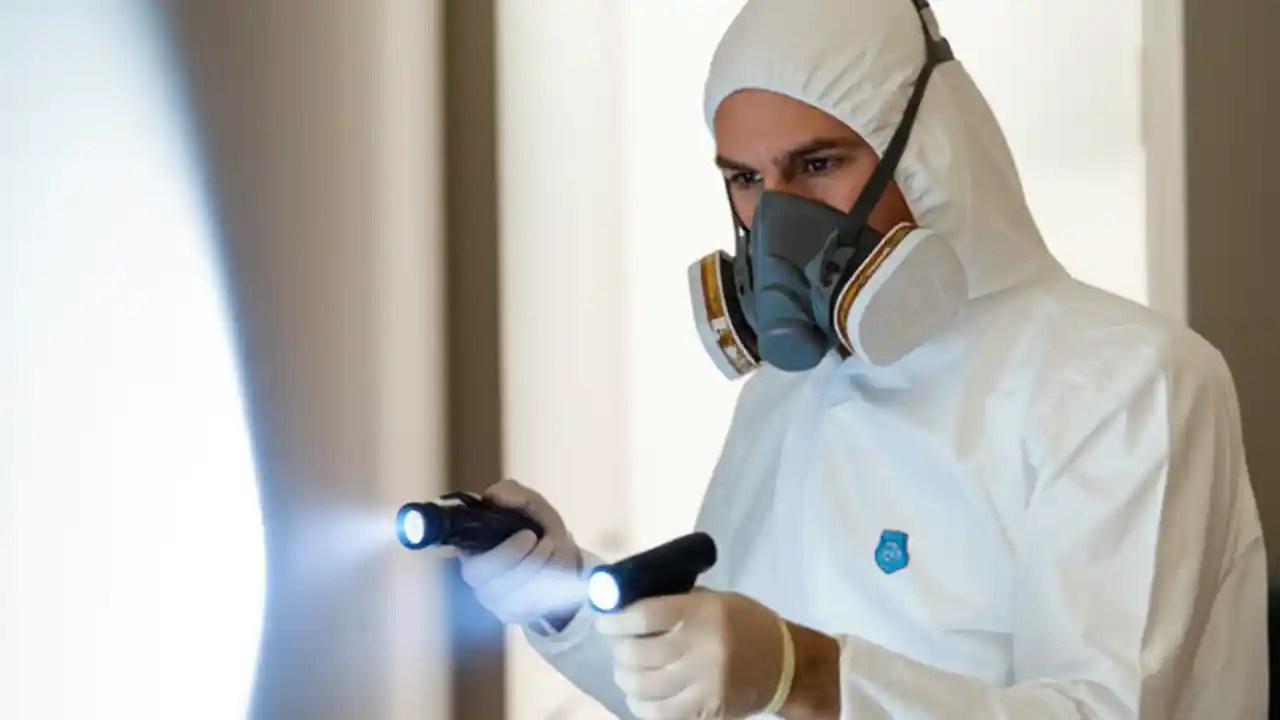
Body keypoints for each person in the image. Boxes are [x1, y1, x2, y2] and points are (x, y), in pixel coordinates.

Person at [453, 0, 1268, 717]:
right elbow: (713, 696)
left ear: (928, 154)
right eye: (746, 178)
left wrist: (806, 675)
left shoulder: (1128, 382)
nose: (777, 219)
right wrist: (562, 598)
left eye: (818, 164)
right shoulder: (789, 391)